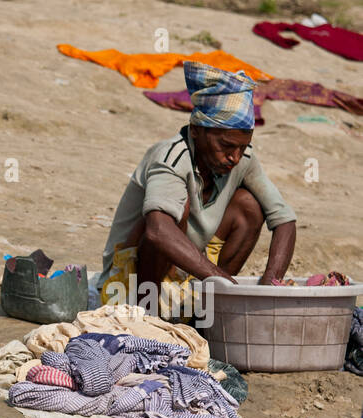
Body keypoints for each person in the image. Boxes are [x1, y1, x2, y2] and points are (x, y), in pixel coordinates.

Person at [99, 62, 297, 314]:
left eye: (242, 147)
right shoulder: (170, 157)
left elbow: (285, 220)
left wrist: (271, 288)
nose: (234, 157)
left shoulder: (243, 159)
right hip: (129, 283)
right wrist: (222, 279)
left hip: (186, 275)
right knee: (173, 209)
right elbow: (158, 231)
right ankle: (147, 312)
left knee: (249, 206)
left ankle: (210, 305)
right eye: (225, 145)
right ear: (196, 131)